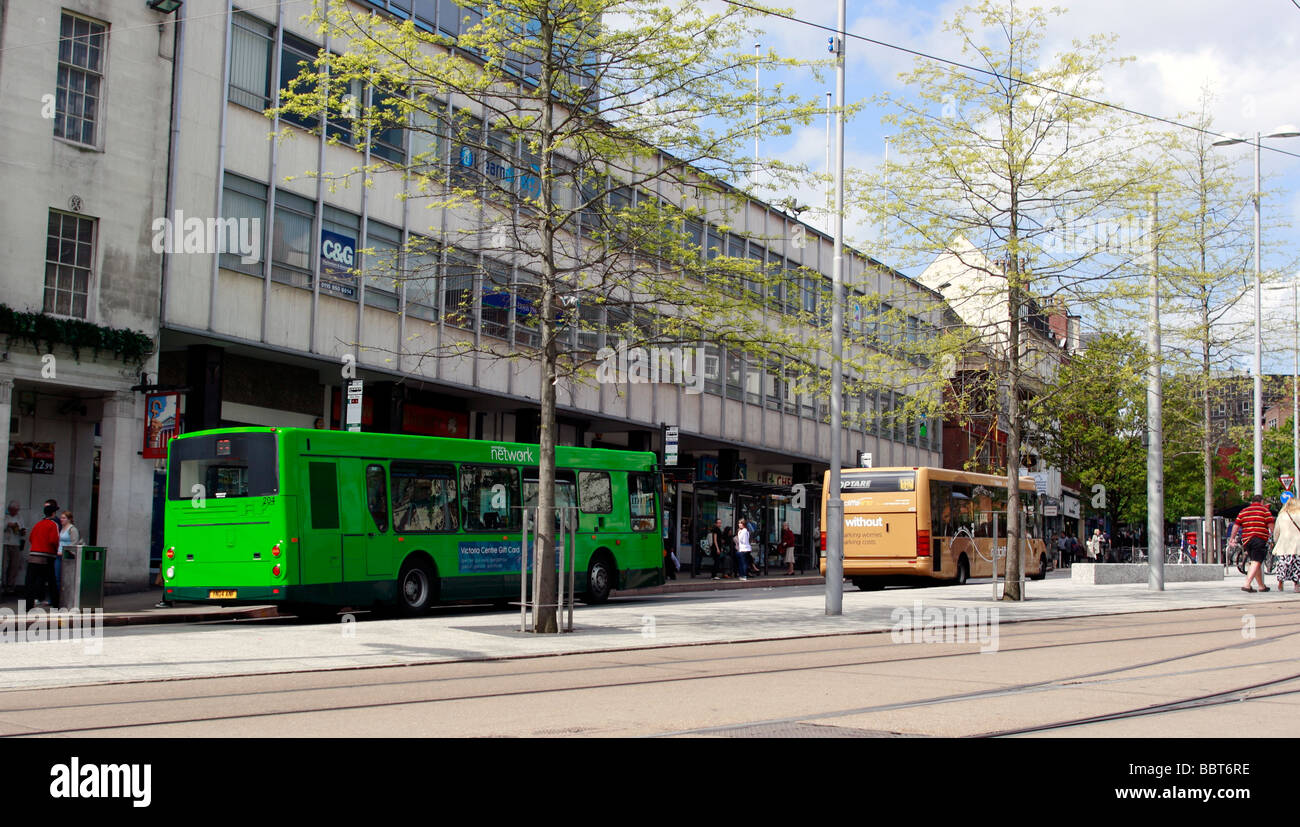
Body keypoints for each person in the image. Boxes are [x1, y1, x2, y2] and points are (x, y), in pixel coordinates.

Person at [1229, 494, 1275, 594]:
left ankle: (1261, 586)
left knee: (1255, 560)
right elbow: (1271, 525)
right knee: (1257, 561)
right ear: (1261, 502)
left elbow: (1236, 526)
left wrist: (1232, 538)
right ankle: (1247, 584)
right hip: (1259, 537)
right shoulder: (1264, 511)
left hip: (1247, 539)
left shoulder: (1243, 511)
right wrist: (1275, 535)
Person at [25, 499, 61, 609]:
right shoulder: (53, 524)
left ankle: (28, 605)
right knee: (51, 581)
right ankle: (55, 604)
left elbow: (31, 538)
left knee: (31, 581)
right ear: (53, 513)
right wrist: (55, 550)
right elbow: (53, 540)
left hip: (33, 556)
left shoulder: (38, 524)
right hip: (47, 556)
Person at [1273, 497, 1300, 593]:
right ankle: (1297, 584)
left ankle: (1280, 582)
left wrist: (1276, 541)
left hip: (1284, 544)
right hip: (1298, 544)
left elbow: (1277, 530)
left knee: (1283, 563)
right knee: (1297, 565)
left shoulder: (1282, 515)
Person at [56, 510, 81, 604]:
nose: (61, 519)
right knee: (57, 577)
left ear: (69, 519)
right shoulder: (61, 528)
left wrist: (64, 552)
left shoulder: (72, 529)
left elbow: (74, 543)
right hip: (58, 555)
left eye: (63, 518)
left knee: (66, 578)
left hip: (66, 556)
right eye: (61, 517)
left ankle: (66, 598)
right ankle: (58, 597)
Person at [3, 500, 25, 596]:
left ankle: (11, 585)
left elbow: (23, 530)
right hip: (5, 543)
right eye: (13, 510)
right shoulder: (4, 516)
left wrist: (20, 530)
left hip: (16, 543)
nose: (15, 512)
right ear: (9, 509)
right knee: (4, 565)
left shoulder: (19, 517)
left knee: (14, 566)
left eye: (16, 510)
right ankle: (3, 584)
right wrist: (7, 525)